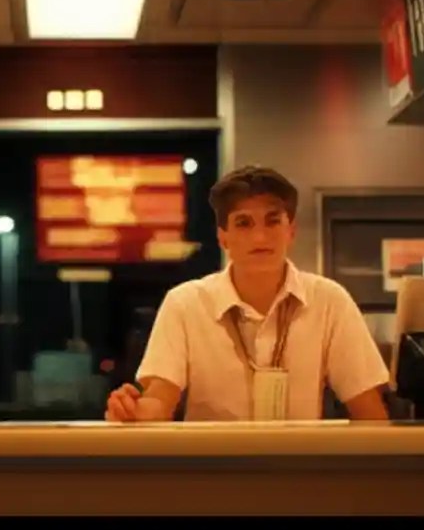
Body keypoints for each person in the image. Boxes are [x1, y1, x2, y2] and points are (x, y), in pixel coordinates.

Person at [105, 165, 390, 422]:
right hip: (212, 471)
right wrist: (134, 410)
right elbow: (160, 399)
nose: (260, 237)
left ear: (291, 230)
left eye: (272, 221)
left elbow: (368, 409)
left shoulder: (329, 300)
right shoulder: (186, 303)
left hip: (301, 472)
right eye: (243, 223)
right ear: (222, 237)